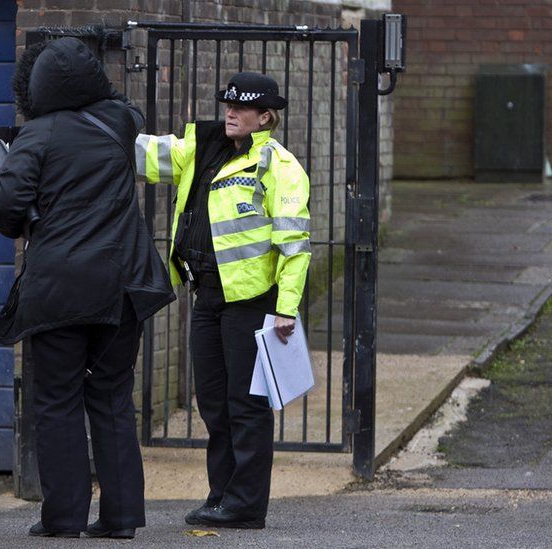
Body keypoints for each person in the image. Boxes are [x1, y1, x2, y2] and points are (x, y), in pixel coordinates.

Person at [0, 37, 175, 539]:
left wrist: (26, 223)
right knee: (113, 398)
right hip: (122, 287)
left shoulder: (35, 134)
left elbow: (5, 203)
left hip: (60, 290)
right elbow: (123, 103)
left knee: (56, 400)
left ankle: (63, 517)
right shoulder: (117, 122)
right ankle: (121, 519)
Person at [136, 72, 311, 529]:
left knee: (245, 404)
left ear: (265, 117)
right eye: (227, 104)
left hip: (252, 303)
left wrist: (285, 308)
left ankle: (246, 505)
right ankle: (222, 495)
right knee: (213, 402)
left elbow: (295, 249)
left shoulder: (278, 166)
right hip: (207, 296)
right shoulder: (204, 148)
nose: (230, 112)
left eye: (242, 107)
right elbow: (149, 154)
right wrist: (98, 126)